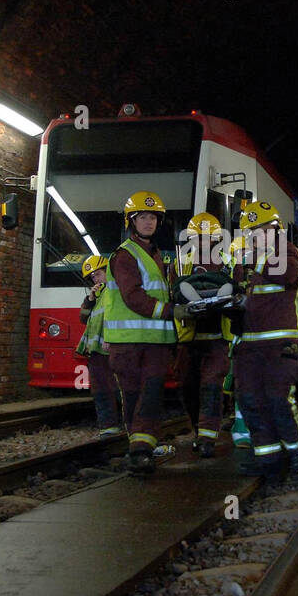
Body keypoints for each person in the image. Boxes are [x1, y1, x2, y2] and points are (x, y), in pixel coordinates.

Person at [100, 190, 191, 475]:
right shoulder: (126, 255)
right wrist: (171, 311)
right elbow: (133, 297)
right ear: (132, 221)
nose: (149, 222)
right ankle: (139, 449)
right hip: (132, 344)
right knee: (138, 396)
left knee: (146, 396)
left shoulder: (155, 256)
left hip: (151, 344)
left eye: (153, 217)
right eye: (143, 217)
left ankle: (139, 450)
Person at [231, 200, 298, 480]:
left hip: (281, 342)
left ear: (275, 230)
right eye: (252, 233)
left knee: (278, 399)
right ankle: (269, 460)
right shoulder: (245, 260)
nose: (257, 237)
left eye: (263, 230)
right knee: (251, 401)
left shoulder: (288, 252)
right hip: (250, 344)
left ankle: (297, 453)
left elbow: (286, 273)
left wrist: (253, 259)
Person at [170, 212, 233, 458]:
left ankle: (207, 438)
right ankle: (199, 430)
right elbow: (172, 292)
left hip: (217, 337)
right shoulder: (180, 262)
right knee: (187, 386)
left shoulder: (228, 261)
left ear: (216, 239)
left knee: (211, 386)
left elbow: (236, 290)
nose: (203, 241)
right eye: (199, 237)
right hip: (189, 338)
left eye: (208, 238)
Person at [75, 255, 123, 437]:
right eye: (93, 277)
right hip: (96, 352)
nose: (96, 279)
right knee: (101, 390)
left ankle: (131, 426)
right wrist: (90, 299)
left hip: (111, 348)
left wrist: (113, 339)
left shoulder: (116, 291)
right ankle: (108, 427)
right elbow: (83, 318)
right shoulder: (98, 295)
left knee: (119, 389)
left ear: (108, 271)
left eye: (98, 274)